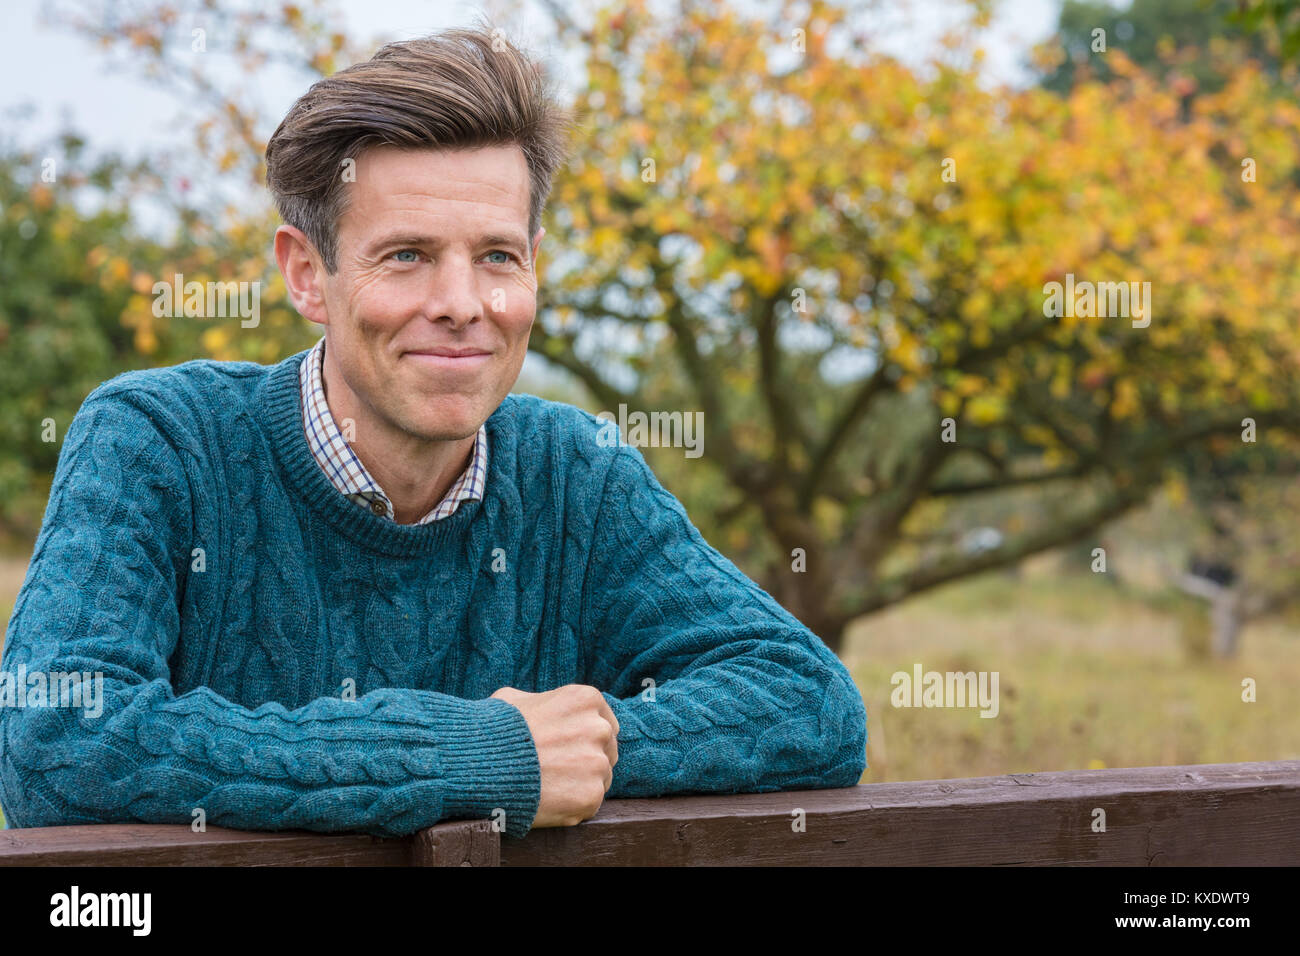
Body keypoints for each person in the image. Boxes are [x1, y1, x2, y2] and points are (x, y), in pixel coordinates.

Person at [0, 25, 867, 840]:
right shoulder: (158, 442)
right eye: (407, 254)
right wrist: (479, 755)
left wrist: (575, 752)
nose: (462, 304)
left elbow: (810, 705)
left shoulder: (579, 472)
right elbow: (54, 743)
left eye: (497, 256)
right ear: (308, 274)